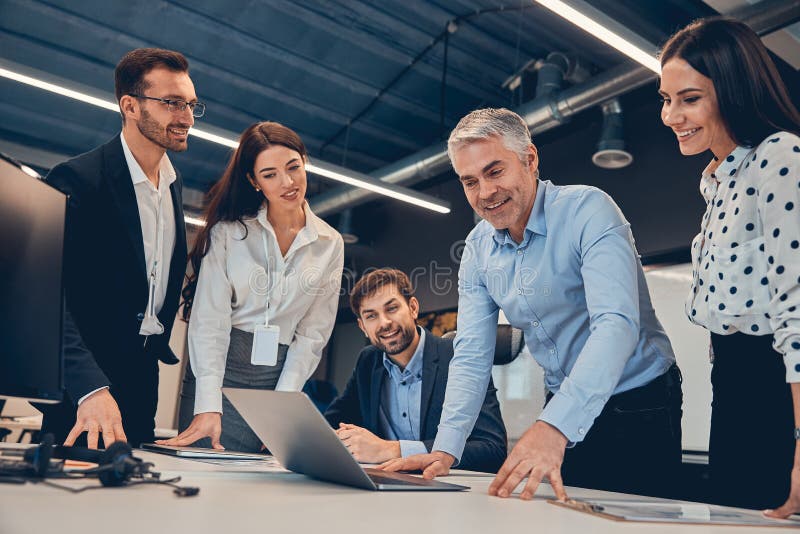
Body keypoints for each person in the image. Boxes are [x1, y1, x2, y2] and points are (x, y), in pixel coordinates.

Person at [381, 108, 682, 501]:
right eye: (469, 181)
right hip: (560, 399)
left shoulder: (587, 210)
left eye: (494, 171)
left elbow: (616, 325)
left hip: (638, 399)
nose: (485, 193)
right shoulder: (477, 250)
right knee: (564, 519)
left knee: (635, 520)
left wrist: (554, 426)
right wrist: (446, 447)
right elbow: (472, 353)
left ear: (530, 160)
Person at [659, 17, 800, 516]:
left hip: (776, 398)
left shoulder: (779, 157)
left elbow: (797, 311)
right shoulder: (716, 182)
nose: (671, 114)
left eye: (689, 98)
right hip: (733, 393)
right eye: (666, 98)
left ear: (733, 91)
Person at [39, 48, 196, 448]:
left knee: (133, 503)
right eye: (172, 104)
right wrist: (89, 389)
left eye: (192, 105)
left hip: (141, 382)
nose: (187, 118)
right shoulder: (77, 180)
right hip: (82, 392)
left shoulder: (172, 185)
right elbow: (44, 301)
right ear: (130, 105)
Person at [157, 121, 344, 453]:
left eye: (293, 167)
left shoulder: (330, 243)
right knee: (203, 475)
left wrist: (281, 410)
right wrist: (208, 403)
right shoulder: (229, 233)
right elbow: (210, 321)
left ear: (305, 161)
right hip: (218, 371)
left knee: (257, 487)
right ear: (253, 181)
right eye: (270, 174)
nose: (287, 183)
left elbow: (313, 333)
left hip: (277, 377)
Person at [325, 268, 507, 473]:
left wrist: (392, 450)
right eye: (371, 316)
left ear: (412, 308)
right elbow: (332, 422)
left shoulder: (459, 358)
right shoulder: (369, 361)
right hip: (383, 487)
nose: (384, 322)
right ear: (362, 326)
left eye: (391, 308)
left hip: (443, 488)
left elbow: (493, 450)